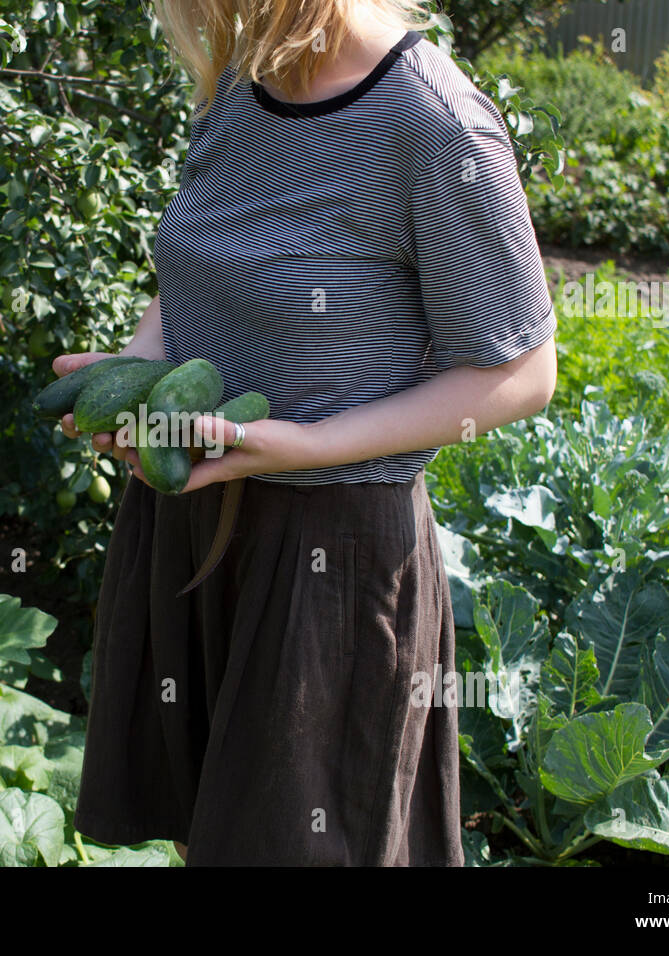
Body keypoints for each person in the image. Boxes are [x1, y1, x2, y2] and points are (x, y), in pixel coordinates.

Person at [56, 0, 557, 865]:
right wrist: (140, 367)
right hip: (196, 520)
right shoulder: (244, 79)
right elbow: (197, 271)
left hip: (329, 560)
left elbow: (519, 374)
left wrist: (310, 444)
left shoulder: (433, 122)